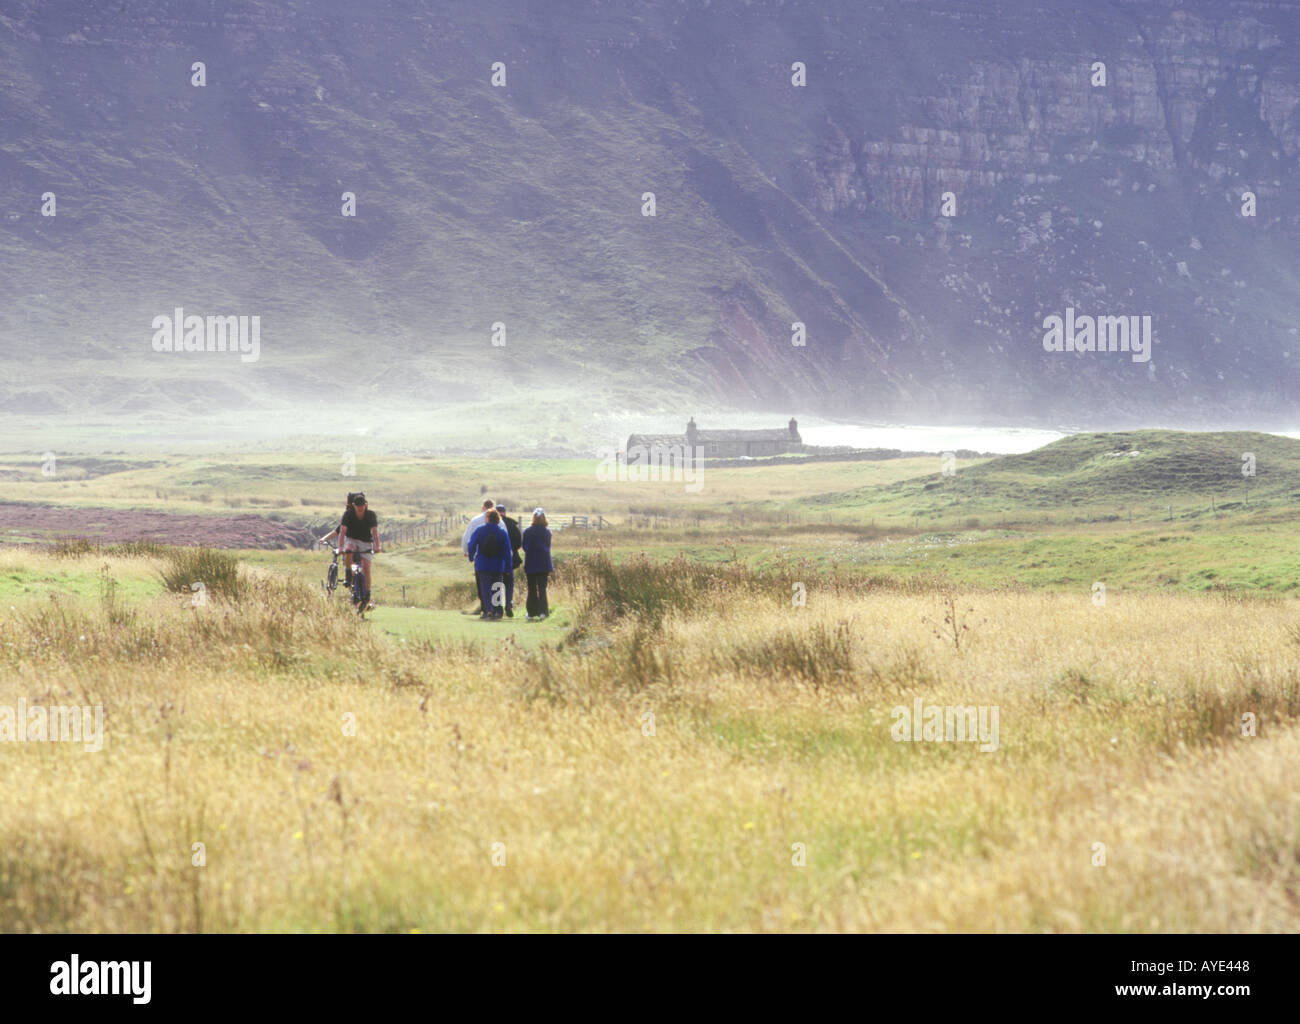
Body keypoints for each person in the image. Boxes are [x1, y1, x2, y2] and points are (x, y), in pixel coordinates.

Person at [325, 492, 380, 602]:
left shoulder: (371, 515)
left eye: (362, 506)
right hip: (352, 539)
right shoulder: (348, 515)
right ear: (354, 506)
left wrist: (377, 546)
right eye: (358, 506)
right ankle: (348, 573)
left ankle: (367, 594)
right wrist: (341, 547)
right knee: (349, 549)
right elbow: (341, 531)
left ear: (365, 505)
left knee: (367, 568)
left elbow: (374, 533)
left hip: (365, 542)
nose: (360, 508)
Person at [467, 509, 512, 620]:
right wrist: (508, 568)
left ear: (487, 518)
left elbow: (471, 544)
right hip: (498, 565)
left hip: (483, 564)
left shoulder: (480, 530)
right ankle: (497, 611)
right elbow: (507, 551)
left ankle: (488, 610)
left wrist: (471, 557)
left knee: (485, 588)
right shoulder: (502, 532)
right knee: (496, 588)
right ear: (498, 519)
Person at [461, 498, 496, 615]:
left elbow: (468, 538)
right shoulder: (500, 522)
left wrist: (467, 552)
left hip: (480, 558)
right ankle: (496, 609)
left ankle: (485, 609)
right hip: (497, 559)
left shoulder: (475, 521)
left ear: (483, 507)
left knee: (482, 584)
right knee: (496, 584)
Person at [521, 507, 553, 621]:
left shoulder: (527, 531)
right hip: (544, 563)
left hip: (531, 563)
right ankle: (543, 612)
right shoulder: (547, 532)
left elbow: (524, 546)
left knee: (532, 588)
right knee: (542, 589)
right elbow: (548, 546)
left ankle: (531, 612)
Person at [496, 504, 523, 618]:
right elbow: (519, 542)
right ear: (505, 512)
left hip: (496, 559)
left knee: (497, 583)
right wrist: (512, 549)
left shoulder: (494, 524)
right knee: (509, 583)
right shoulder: (512, 524)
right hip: (510, 558)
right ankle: (508, 604)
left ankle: (498, 608)